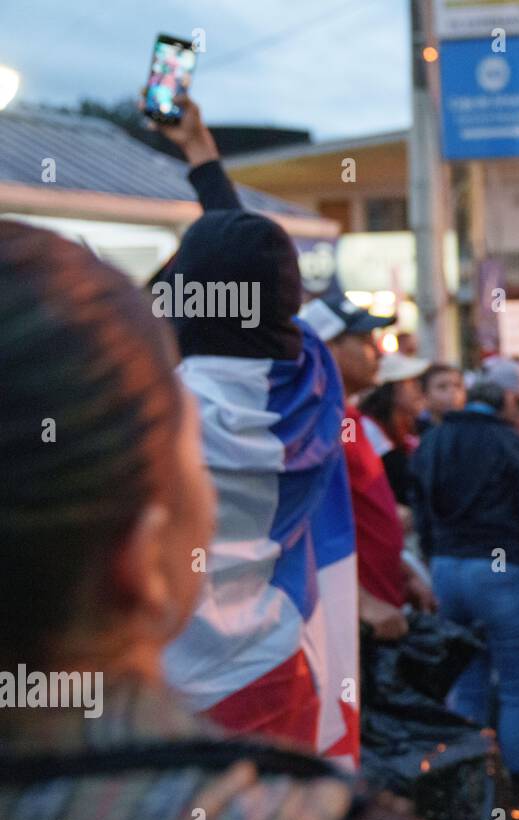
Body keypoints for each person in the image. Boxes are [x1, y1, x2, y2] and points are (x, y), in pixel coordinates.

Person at [0, 221, 467, 820]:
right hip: (266, 678)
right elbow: (257, 289)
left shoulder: (178, 399)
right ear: (139, 554)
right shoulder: (309, 394)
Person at [152, 97, 362, 763]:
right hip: (277, 667)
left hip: (170, 699)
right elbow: (243, 273)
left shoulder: (157, 411)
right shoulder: (315, 383)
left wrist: (202, 160)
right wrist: (203, 158)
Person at [416, 362, 519, 820]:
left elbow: (421, 509)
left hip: (447, 570)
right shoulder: (510, 442)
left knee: (467, 690)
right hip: (503, 575)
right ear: (507, 401)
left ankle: (474, 809)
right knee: (518, 694)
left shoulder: (434, 441)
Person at [300, 293, 436, 643]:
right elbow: (305, 519)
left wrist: (401, 568)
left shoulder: (348, 416)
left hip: (376, 603)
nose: (376, 350)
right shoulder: (315, 418)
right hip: (348, 615)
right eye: (363, 340)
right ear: (327, 348)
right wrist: (361, 600)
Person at [360, 351, 432, 507]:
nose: (419, 389)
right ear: (391, 389)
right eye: (411, 382)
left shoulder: (415, 426)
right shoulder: (364, 426)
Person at [416, 363, 466, 435]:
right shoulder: (417, 433)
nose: (452, 392)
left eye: (457, 385)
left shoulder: (476, 430)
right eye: (442, 387)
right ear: (424, 396)